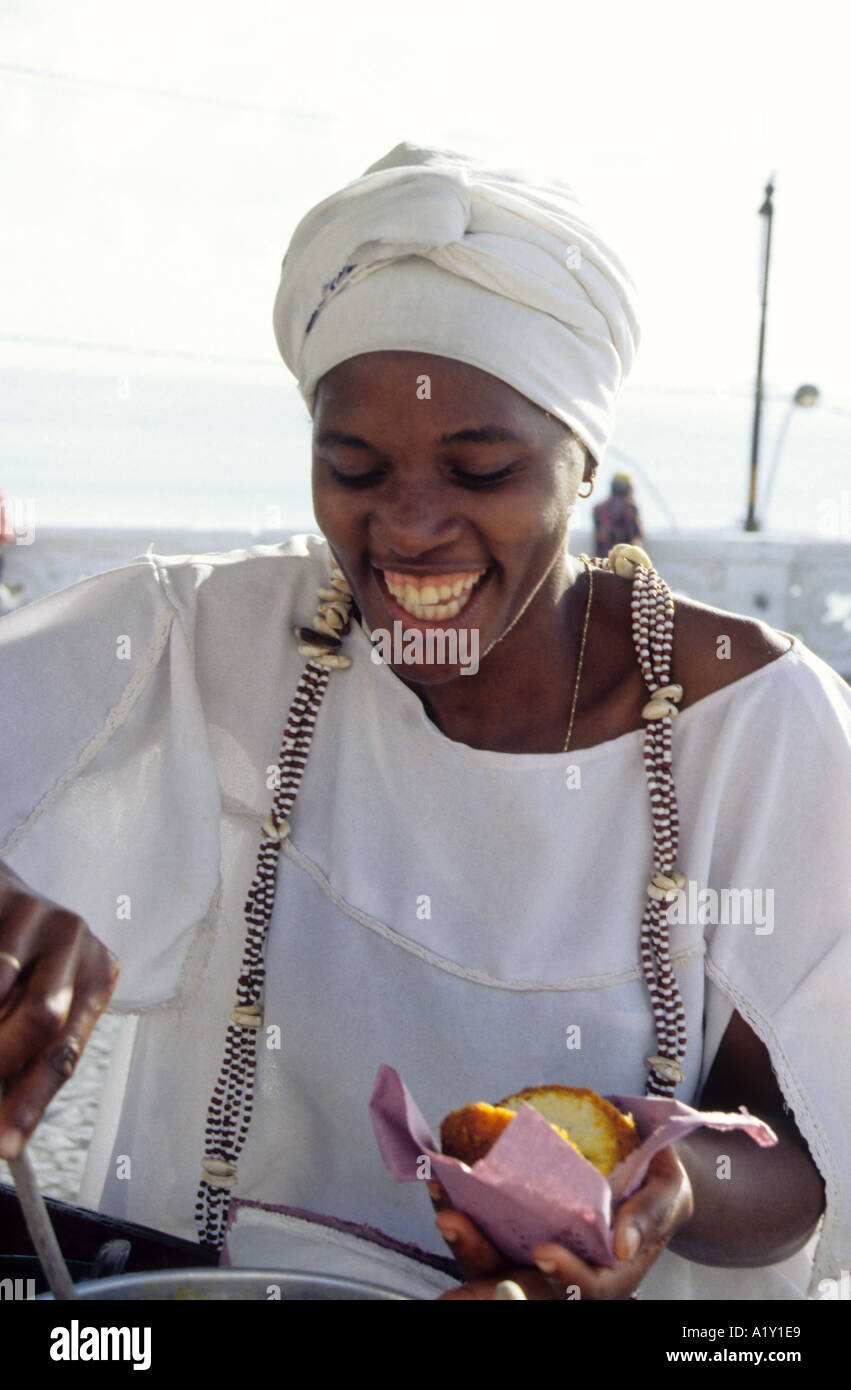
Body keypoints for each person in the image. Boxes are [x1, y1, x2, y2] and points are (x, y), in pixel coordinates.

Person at [0, 142, 848, 1302]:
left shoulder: (757, 728)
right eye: (351, 465)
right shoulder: (207, 643)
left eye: (481, 467)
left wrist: (664, 1181)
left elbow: (795, 1158)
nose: (407, 526)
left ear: (583, 460)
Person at [592, 471, 643, 556]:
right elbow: (635, 538)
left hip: (601, 562)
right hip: (623, 563)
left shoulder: (598, 509)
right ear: (629, 488)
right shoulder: (630, 508)